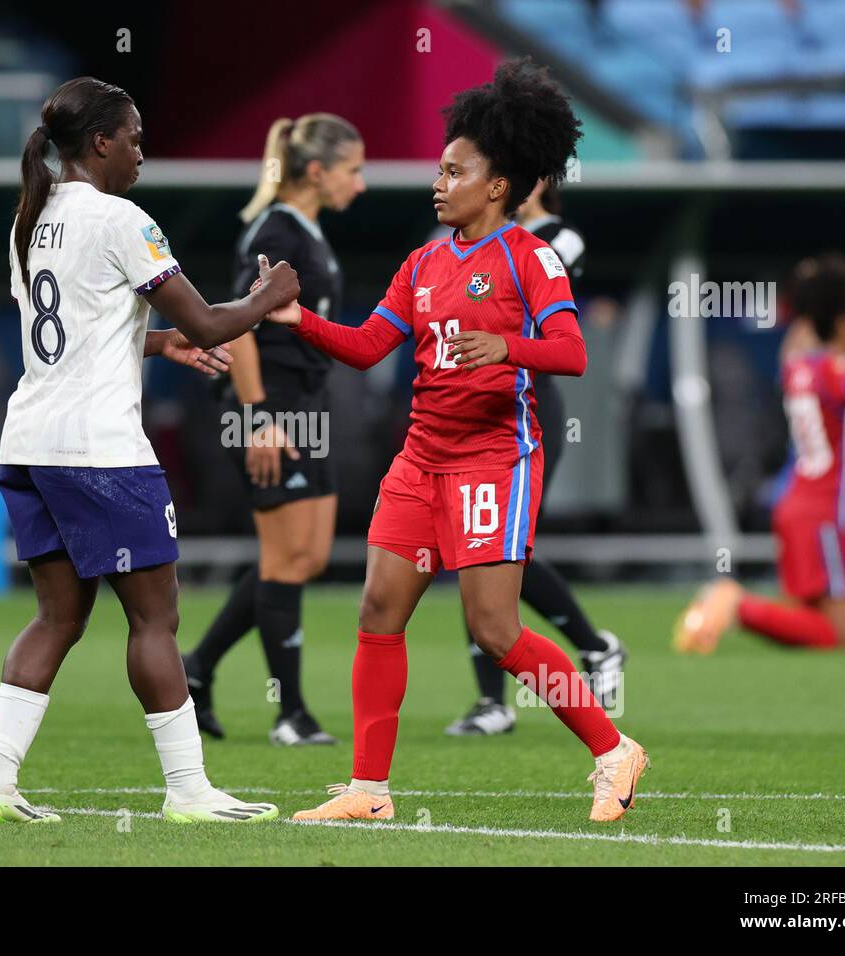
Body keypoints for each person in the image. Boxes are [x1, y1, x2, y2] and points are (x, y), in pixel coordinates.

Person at [261, 58, 648, 824]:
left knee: (495, 630)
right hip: (421, 458)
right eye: (439, 170)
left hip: (495, 458)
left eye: (452, 171)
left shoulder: (528, 257)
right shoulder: (425, 261)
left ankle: (614, 751)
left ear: (497, 185)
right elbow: (372, 344)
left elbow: (571, 352)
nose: (438, 183)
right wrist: (296, 320)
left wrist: (507, 347)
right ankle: (368, 790)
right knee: (377, 608)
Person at [0, 77, 300, 825]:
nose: (143, 152)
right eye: (136, 138)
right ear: (102, 142)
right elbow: (214, 324)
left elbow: (69, 334)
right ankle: (188, 790)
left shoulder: (31, 217)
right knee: (154, 621)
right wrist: (270, 297)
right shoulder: (122, 220)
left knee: (57, 617)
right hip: (101, 451)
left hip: (32, 444)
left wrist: (153, 343)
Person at [182, 112, 365, 746]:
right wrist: (258, 419)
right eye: (353, 170)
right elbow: (241, 323)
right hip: (268, 408)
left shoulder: (305, 229)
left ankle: (196, 669)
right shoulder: (277, 230)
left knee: (304, 557)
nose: (360, 185)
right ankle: (290, 713)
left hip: (306, 405)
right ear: (317, 171)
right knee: (286, 560)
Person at [446, 178, 626, 736]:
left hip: (526, 408)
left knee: (493, 549)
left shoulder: (555, 240)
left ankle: (586, 652)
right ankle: (570, 659)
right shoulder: (469, 237)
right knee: (475, 546)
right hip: (471, 405)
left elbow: (529, 299)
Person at [674, 255, 845, 652]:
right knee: (843, 637)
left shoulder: (797, 363)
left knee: (809, 625)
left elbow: (815, 330)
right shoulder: (835, 368)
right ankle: (736, 604)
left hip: (795, 505)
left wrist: (810, 291)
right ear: (843, 323)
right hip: (831, 515)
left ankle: (732, 605)